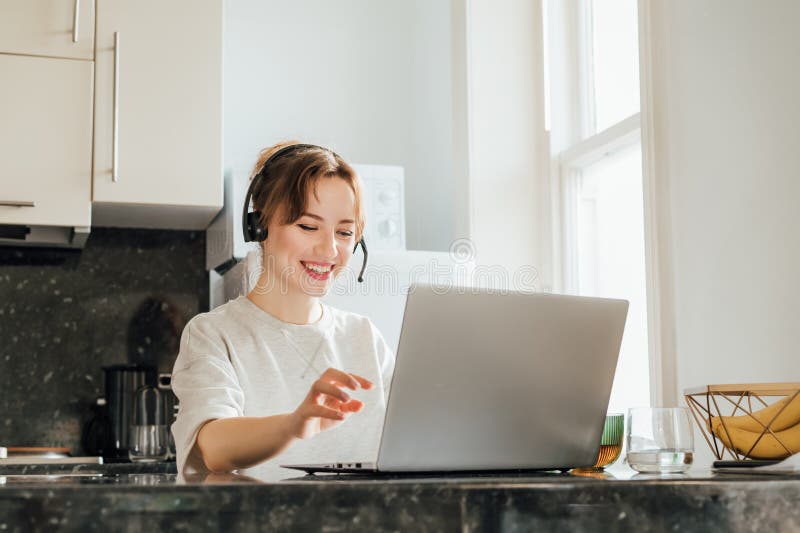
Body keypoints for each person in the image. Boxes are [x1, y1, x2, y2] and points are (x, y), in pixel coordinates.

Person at [171, 142, 395, 479]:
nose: (329, 249)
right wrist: (293, 425)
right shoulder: (212, 334)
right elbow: (215, 448)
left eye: (345, 232)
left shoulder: (365, 337)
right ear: (260, 226)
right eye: (308, 226)